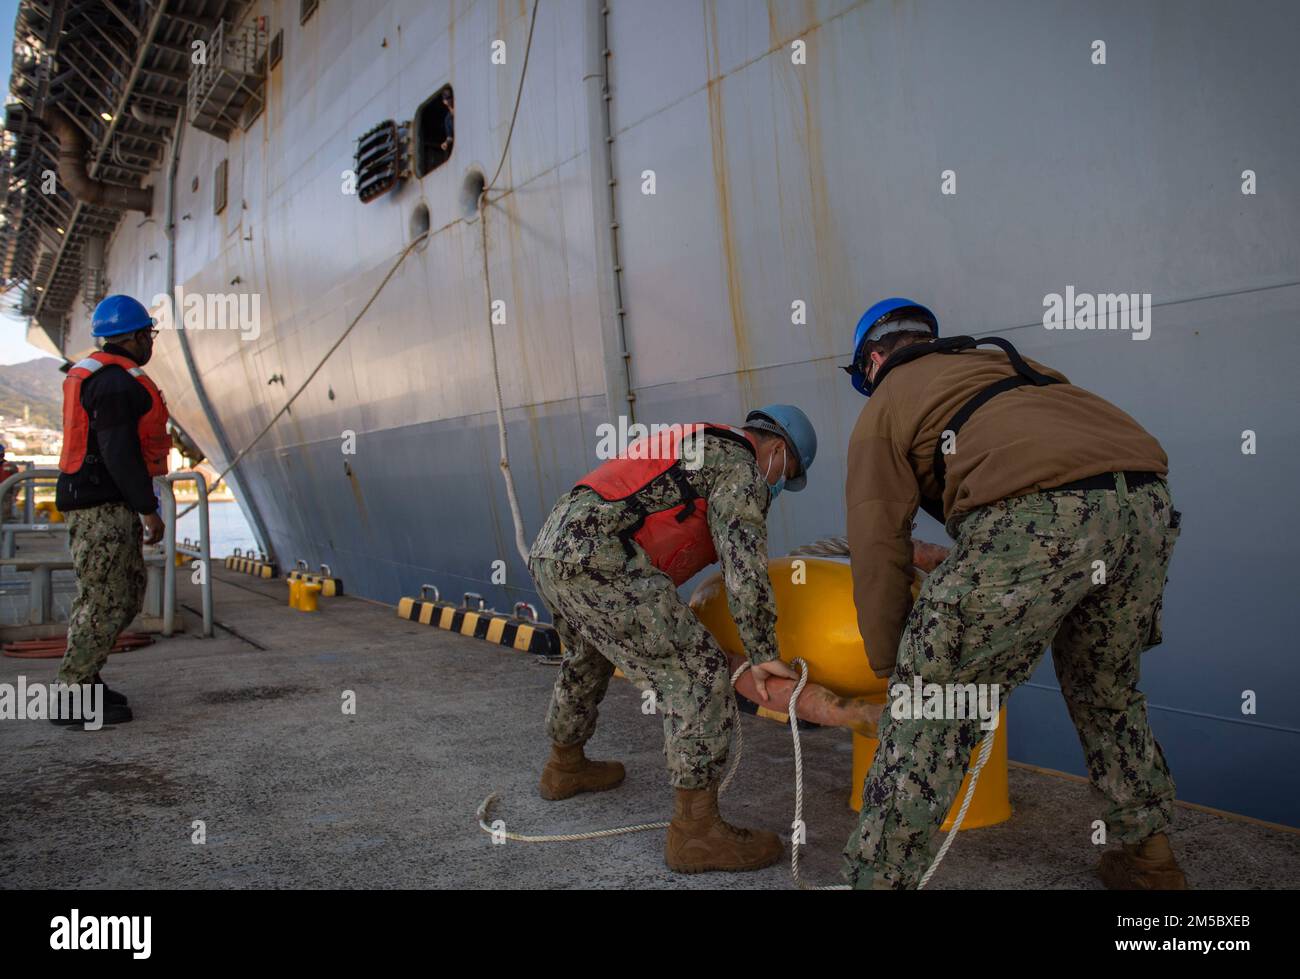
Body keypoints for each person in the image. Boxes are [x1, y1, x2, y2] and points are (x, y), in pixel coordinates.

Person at [840, 297, 1185, 889]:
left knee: (932, 705)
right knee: (1107, 688)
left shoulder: (889, 400)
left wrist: (892, 663)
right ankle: (1148, 857)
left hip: (1040, 511)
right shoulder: (1014, 366)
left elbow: (878, 542)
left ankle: (876, 881)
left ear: (872, 361)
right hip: (1145, 503)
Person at [528, 406, 816, 873]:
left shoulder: (698, 442)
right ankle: (697, 834)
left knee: (587, 658)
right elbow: (744, 565)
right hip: (599, 555)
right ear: (778, 449)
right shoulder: (740, 466)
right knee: (696, 672)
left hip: (554, 548)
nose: (780, 485)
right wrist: (764, 653)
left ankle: (564, 766)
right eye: (788, 473)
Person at [52, 295, 170, 728]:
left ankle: (87, 680)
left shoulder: (102, 375)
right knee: (106, 598)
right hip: (101, 506)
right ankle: (72, 692)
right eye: (149, 335)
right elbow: (118, 452)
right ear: (137, 336)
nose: (150, 343)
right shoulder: (117, 384)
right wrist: (148, 509)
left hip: (99, 502)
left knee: (122, 592)